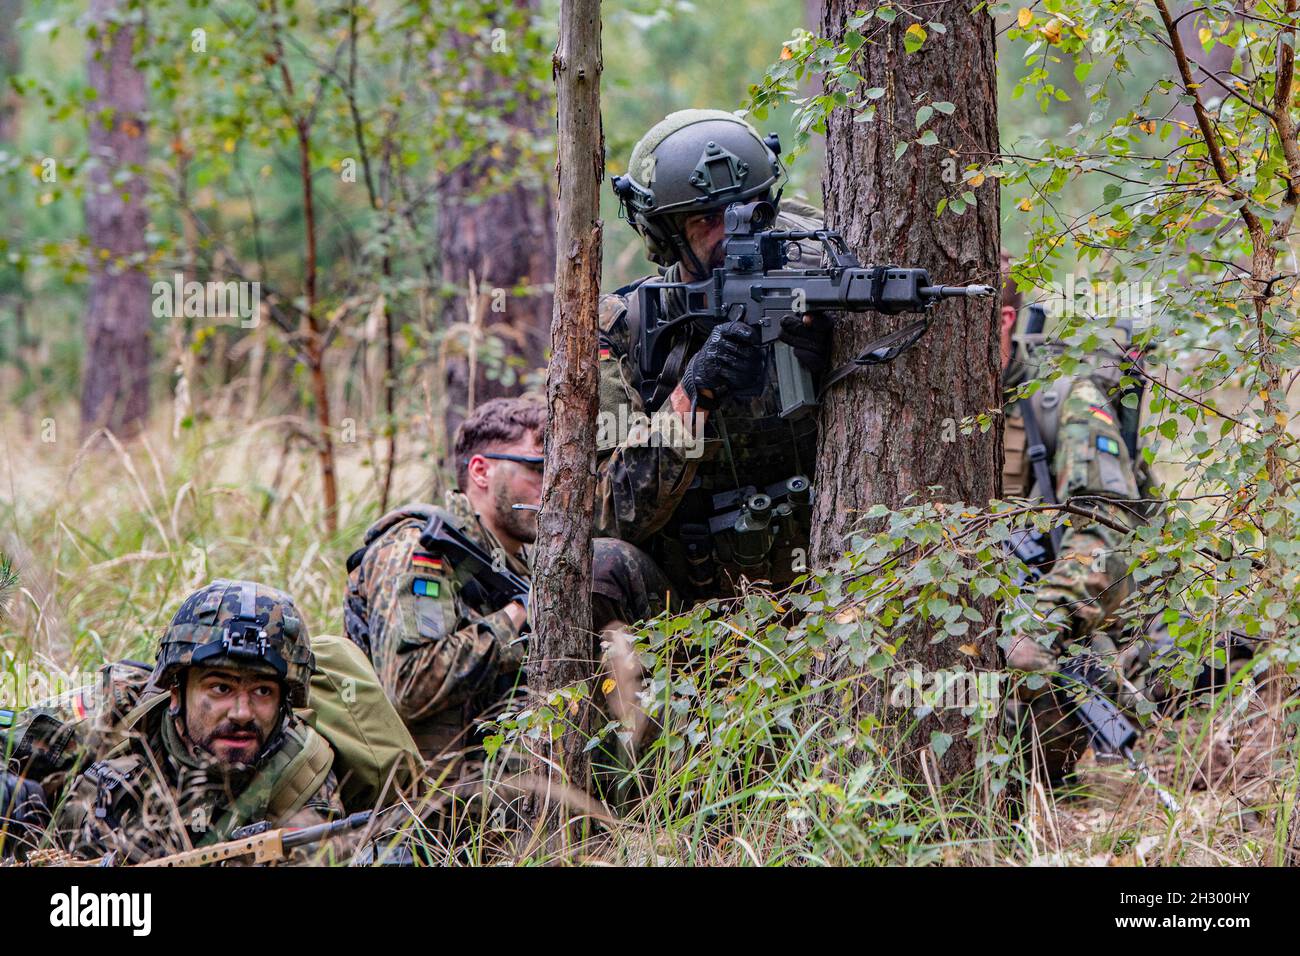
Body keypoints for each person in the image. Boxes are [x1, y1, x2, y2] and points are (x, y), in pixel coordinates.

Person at [595, 108, 833, 605]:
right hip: (689, 620)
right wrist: (693, 394)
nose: (736, 231)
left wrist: (838, 361)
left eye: (749, 210)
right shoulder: (625, 328)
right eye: (709, 219)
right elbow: (599, 511)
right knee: (598, 564)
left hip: (832, 600)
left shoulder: (825, 279)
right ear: (664, 235)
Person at [996, 259, 1158, 784]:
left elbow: (1105, 532)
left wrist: (1040, 627)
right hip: (1027, 616)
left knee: (1041, 684)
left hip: (1108, 626)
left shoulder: (1063, 397)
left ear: (1002, 322)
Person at [49, 580, 345, 863]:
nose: (242, 713)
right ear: (176, 692)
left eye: (262, 691)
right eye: (221, 688)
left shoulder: (301, 778)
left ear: (284, 705)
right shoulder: (115, 711)